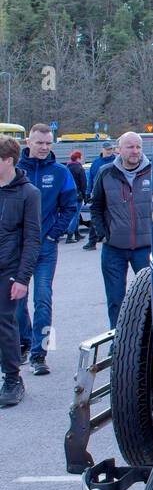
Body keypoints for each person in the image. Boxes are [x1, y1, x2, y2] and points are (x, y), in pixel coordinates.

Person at [15, 123, 77, 376]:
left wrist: (54, 234)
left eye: (49, 143)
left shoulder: (60, 172)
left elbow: (71, 206)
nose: (44, 148)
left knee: (43, 298)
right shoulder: (15, 170)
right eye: (39, 143)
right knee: (16, 301)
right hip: (17, 249)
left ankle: (40, 353)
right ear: (28, 142)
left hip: (45, 248)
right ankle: (24, 342)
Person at [89, 131, 152, 328]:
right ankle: (117, 342)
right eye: (130, 147)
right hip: (114, 249)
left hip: (146, 248)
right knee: (116, 299)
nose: (135, 151)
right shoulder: (106, 173)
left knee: (148, 301)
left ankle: (144, 346)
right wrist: (103, 233)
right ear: (119, 149)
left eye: (138, 147)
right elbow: (96, 205)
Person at [0, 137, 39, 407]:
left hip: (9, 270)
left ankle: (13, 379)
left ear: (8, 160)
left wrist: (23, 278)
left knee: (5, 324)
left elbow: (32, 239)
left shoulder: (29, 194)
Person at [84, 142, 116, 250]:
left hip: (113, 194)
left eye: (111, 149)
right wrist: (88, 192)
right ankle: (92, 241)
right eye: (107, 149)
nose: (109, 151)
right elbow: (91, 179)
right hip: (99, 194)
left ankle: (115, 240)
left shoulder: (117, 162)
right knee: (95, 218)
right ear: (102, 149)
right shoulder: (96, 163)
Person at [64, 149, 88, 244]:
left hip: (68, 195)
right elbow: (83, 183)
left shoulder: (67, 167)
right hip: (77, 195)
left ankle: (77, 233)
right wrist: (85, 194)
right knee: (76, 215)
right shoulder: (79, 168)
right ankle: (70, 236)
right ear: (79, 158)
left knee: (75, 215)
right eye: (82, 157)